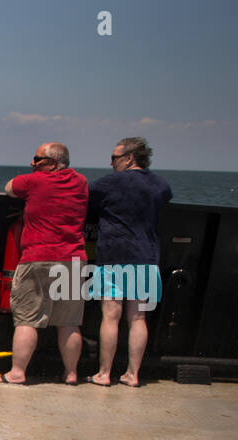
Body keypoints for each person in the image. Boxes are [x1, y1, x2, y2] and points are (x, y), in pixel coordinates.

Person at [0, 142, 88, 385]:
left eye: (37, 159)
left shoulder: (34, 181)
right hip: (73, 259)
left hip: (38, 258)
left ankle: (17, 372)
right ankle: (71, 373)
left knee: (27, 319)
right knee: (69, 322)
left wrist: (34, 177)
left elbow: (9, 188)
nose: (32, 164)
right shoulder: (81, 182)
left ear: (51, 163)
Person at [87, 137, 173, 387]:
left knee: (111, 316)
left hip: (115, 255)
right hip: (146, 257)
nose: (111, 162)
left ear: (129, 158)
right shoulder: (160, 184)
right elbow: (165, 197)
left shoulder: (110, 183)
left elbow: (88, 200)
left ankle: (104, 374)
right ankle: (133, 374)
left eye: (115, 157)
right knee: (138, 319)